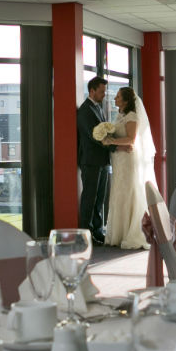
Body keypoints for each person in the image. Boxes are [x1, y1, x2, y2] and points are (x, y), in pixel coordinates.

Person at [101, 86, 156, 250]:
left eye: (118, 97)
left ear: (125, 101)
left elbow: (131, 139)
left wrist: (110, 141)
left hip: (128, 160)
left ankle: (130, 232)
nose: (115, 99)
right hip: (119, 161)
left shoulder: (131, 116)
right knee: (119, 191)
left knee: (128, 191)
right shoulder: (120, 116)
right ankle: (118, 233)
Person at [76, 77, 112, 243]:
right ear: (92, 91)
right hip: (90, 161)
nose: (104, 95)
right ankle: (85, 235)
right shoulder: (84, 110)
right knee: (89, 198)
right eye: (102, 91)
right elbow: (94, 136)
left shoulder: (98, 108)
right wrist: (115, 145)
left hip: (102, 161)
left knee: (99, 198)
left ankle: (97, 230)